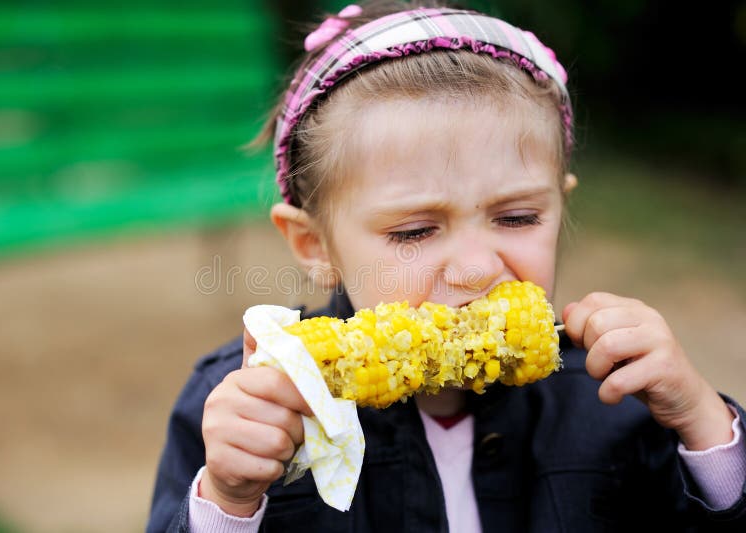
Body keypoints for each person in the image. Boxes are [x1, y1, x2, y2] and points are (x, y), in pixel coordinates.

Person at [146, 1, 746, 531]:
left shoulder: (612, 395)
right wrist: (227, 503)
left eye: (516, 218)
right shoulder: (244, 402)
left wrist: (704, 426)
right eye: (415, 231)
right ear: (315, 247)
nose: (477, 268)